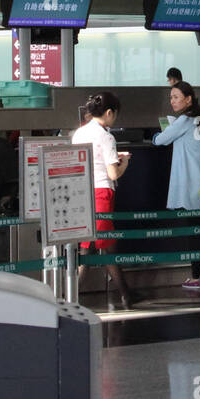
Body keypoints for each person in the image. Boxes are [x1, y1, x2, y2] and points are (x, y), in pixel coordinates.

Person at [153, 81, 200, 288]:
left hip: (190, 186)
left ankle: (196, 276)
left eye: (175, 97)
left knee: (193, 233)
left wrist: (157, 134)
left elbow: (160, 140)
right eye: (171, 97)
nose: (172, 101)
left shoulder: (183, 120)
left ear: (188, 99)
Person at [72, 92, 133, 310]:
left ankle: (73, 295)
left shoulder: (79, 133)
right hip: (101, 194)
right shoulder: (106, 137)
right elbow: (113, 174)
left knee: (88, 245)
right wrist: (124, 161)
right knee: (103, 247)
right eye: (114, 114)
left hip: (82, 192)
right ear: (109, 113)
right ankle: (125, 295)